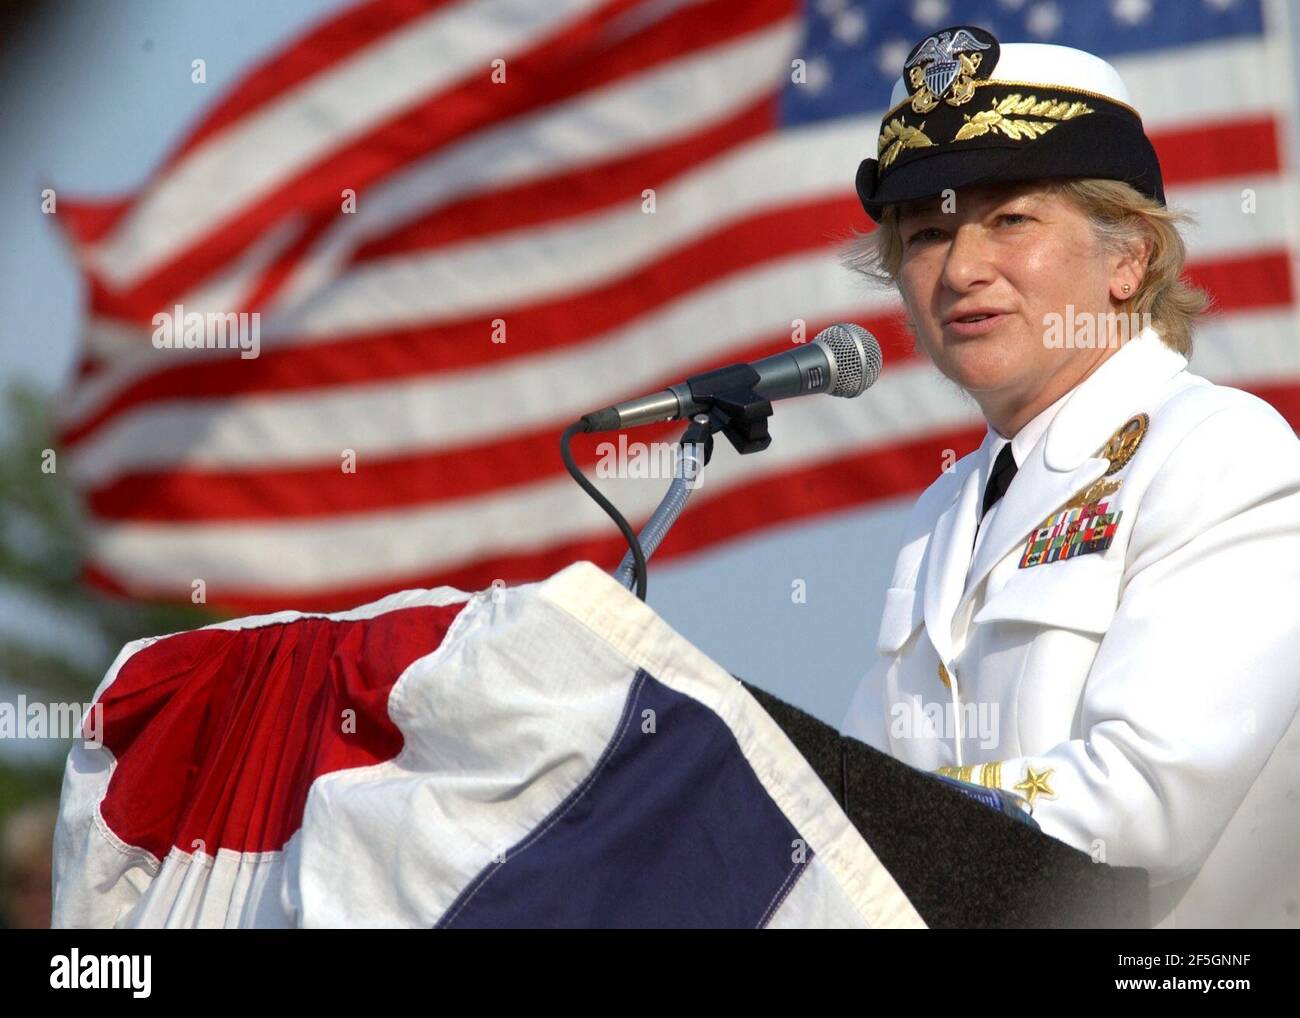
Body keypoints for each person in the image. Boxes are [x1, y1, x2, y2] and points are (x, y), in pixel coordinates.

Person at [838, 24, 1300, 928]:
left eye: (1010, 218)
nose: (962, 269)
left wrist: (861, 837)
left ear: (1129, 257)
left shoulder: (1220, 451)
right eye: (928, 233)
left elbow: (1147, 801)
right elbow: (858, 781)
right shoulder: (946, 511)